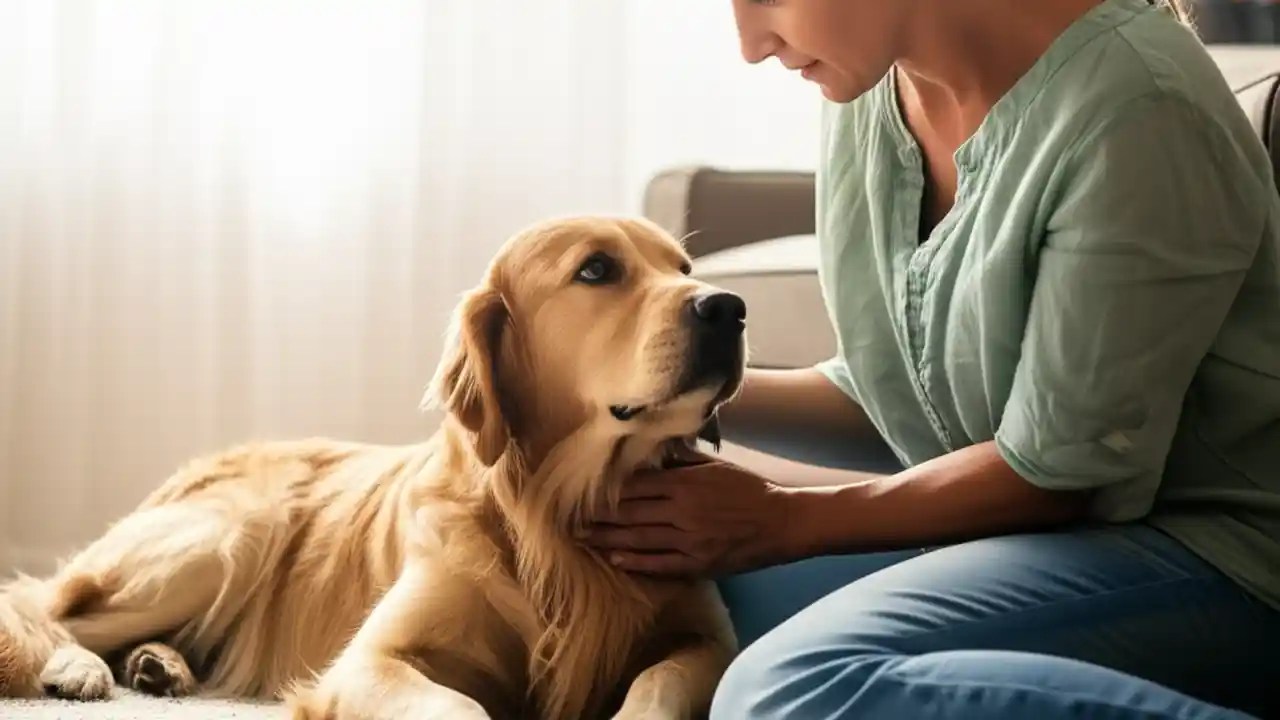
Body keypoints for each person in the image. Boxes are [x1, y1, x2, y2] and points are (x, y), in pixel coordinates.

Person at [582, 0, 1280, 717]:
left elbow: (1062, 471)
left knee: (793, 687)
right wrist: (662, 379)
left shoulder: (1140, 108)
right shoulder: (869, 88)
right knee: (654, 603)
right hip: (1033, 536)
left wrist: (784, 520)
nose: (752, 45)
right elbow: (903, 395)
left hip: (1218, 560)